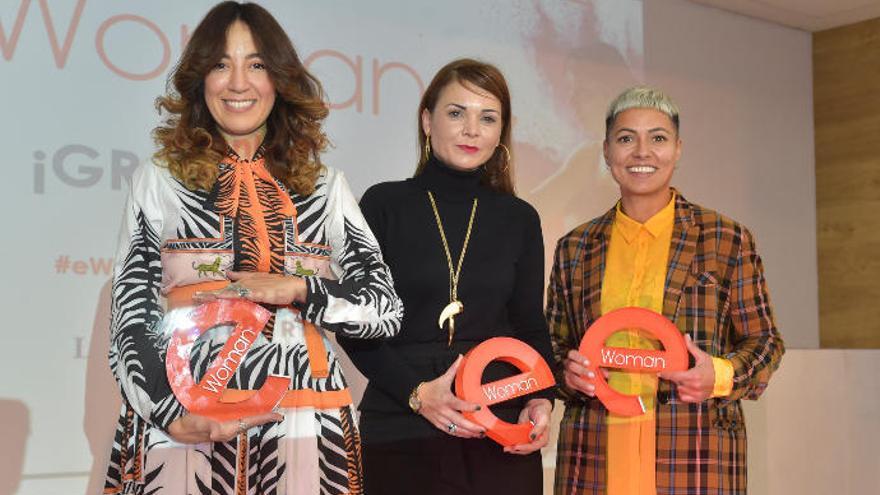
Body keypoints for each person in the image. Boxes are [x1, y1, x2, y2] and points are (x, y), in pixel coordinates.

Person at [103, 2, 402, 494]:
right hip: (184, 416)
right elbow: (129, 316)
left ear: (280, 79)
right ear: (200, 79)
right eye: (221, 64)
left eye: (257, 64)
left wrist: (298, 288)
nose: (238, 83)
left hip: (304, 422)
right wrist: (170, 413)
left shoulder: (326, 187)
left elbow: (384, 309)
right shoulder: (159, 179)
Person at [547, 86, 784, 495]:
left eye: (657, 138)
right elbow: (553, 343)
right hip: (594, 461)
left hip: (693, 459)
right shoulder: (576, 246)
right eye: (626, 139)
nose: (642, 152)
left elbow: (765, 343)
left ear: (677, 149)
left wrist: (719, 375)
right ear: (607, 152)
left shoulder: (726, 238)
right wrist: (566, 373)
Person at [337, 59, 554, 494]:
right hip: (401, 426)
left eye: (487, 118)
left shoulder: (520, 218)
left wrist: (541, 398)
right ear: (426, 121)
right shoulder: (383, 204)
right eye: (457, 113)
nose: (472, 129)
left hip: (498, 427)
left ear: (500, 133)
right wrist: (418, 394)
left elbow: (530, 324)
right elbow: (353, 326)